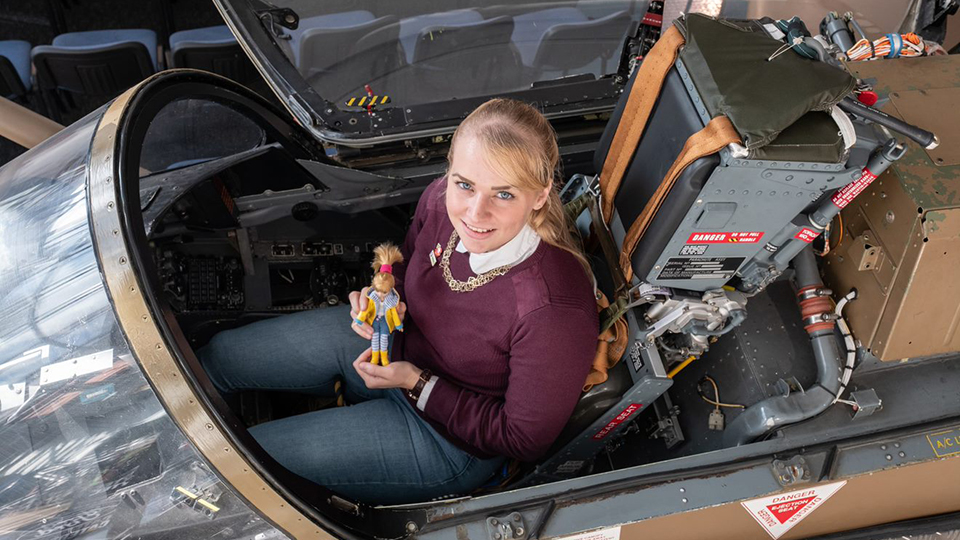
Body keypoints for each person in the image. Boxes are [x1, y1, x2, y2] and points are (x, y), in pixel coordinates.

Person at [198, 98, 599, 505]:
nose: (475, 213)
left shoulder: (554, 309)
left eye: (504, 194)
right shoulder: (441, 198)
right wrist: (381, 302)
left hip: (443, 438)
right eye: (465, 184)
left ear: (540, 195)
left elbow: (522, 439)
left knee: (231, 465)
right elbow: (404, 269)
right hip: (391, 345)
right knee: (219, 357)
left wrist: (416, 382)